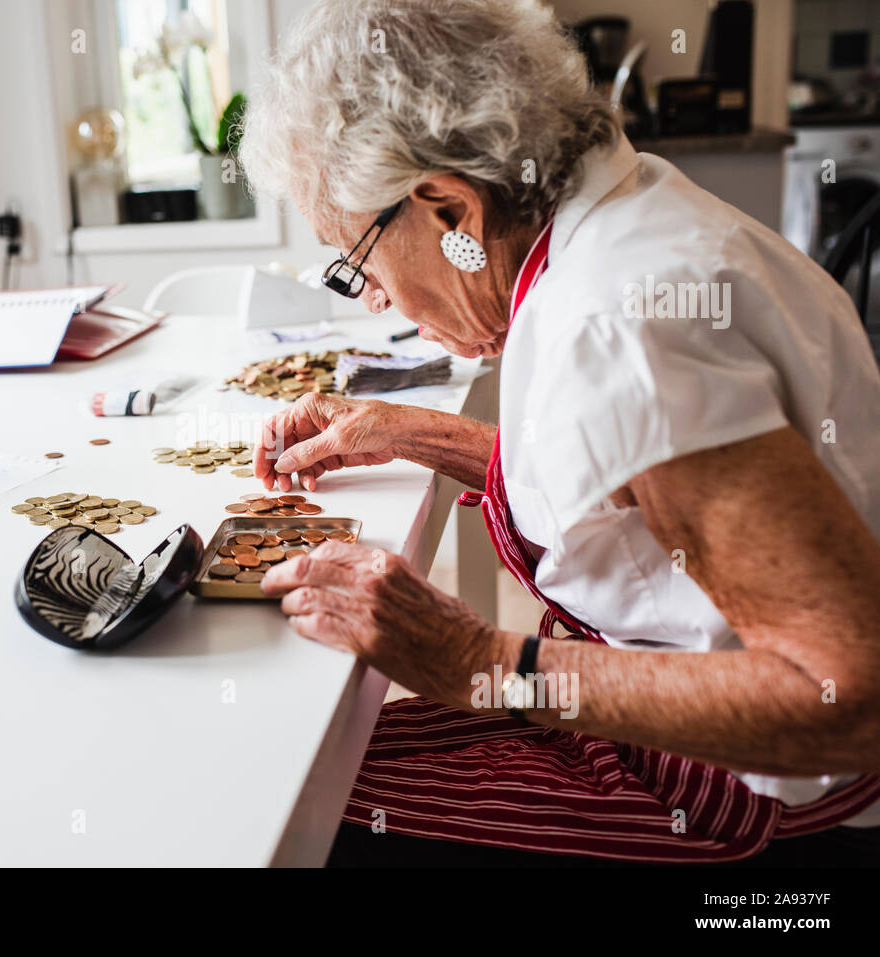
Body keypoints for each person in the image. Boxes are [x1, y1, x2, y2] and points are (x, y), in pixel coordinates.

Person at [237, 0, 880, 865]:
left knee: (298, 814)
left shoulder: (624, 328)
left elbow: (845, 700)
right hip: (696, 731)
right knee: (305, 764)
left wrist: (481, 659)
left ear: (450, 210)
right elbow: (628, 501)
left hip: (746, 787)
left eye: (361, 264)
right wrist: (407, 430)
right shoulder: (621, 209)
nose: (379, 301)